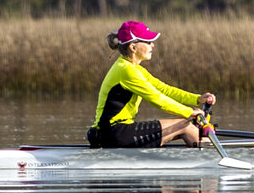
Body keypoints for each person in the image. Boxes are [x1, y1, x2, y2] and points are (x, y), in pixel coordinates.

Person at [88, 20, 219, 148]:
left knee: (190, 126)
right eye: (148, 41)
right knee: (186, 126)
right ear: (133, 47)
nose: (153, 45)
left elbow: (164, 90)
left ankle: (200, 153)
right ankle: (207, 162)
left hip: (116, 131)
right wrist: (190, 113)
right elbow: (158, 100)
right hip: (111, 133)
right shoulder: (126, 71)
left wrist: (197, 98)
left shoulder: (134, 69)